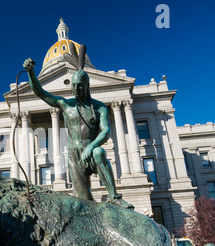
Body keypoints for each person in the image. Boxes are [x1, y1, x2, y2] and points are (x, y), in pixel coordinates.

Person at [23, 57, 134, 209]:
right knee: (87, 203)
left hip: (90, 151)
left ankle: (114, 197)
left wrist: (91, 146)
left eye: (79, 86)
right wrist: (31, 73)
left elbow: (106, 131)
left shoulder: (99, 107)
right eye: (73, 85)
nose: (75, 89)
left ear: (87, 86)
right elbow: (40, 92)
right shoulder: (65, 105)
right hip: (73, 156)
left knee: (98, 152)